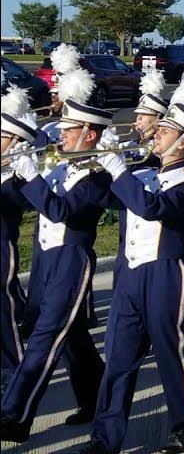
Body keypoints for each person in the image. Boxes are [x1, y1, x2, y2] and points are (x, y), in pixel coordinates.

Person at [74, 102, 184, 453]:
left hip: (165, 273)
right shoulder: (142, 172)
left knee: (170, 353)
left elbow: (154, 208)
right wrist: (83, 162)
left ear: (183, 141)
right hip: (130, 275)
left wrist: (119, 170)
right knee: (118, 359)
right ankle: (105, 438)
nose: (155, 135)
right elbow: (107, 198)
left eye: (164, 132)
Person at [0, 94, 109, 444]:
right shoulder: (61, 165)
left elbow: (60, 211)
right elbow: (28, 198)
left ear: (90, 134)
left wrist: (31, 176)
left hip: (70, 261)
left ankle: (14, 415)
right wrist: (17, 175)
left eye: (69, 129)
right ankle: (97, 401)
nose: (61, 135)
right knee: (73, 338)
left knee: (44, 340)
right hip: (47, 259)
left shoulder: (97, 177)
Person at [1, 90, 39, 394]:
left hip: (2, 247)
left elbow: (16, 202)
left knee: (4, 314)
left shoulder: (17, 178)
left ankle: (16, 374)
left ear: (15, 142)